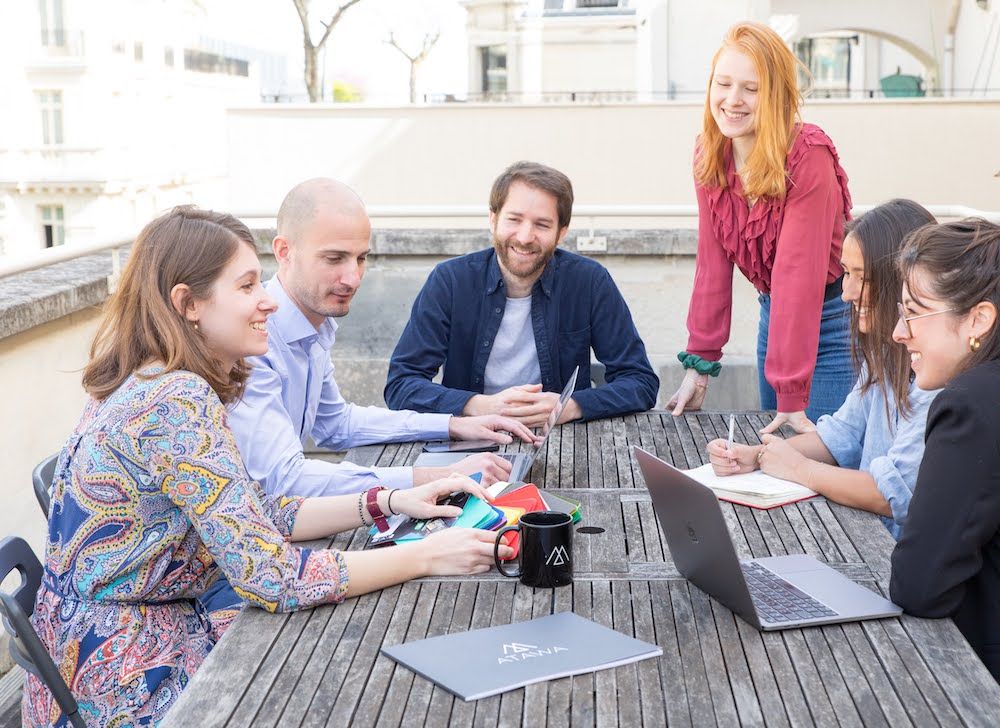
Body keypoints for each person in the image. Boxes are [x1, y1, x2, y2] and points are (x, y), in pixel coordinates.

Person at [22, 207, 511, 727]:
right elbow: (272, 578)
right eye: (247, 286)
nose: (268, 301)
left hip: (112, 647)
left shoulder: (153, 378)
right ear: (188, 304)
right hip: (128, 679)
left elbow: (250, 514)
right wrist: (429, 556)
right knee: (343, 680)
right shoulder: (174, 400)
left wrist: (386, 503)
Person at [225, 178, 538, 499]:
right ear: (284, 252)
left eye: (361, 258)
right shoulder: (251, 335)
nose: (353, 278)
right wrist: (438, 475)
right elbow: (283, 478)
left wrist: (452, 425)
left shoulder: (314, 322)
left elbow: (335, 424)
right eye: (334, 259)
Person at [704, 200, 939, 538]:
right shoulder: (886, 357)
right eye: (846, 273)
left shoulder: (936, 379)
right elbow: (840, 435)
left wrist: (801, 469)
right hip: (873, 539)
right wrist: (756, 457)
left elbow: (894, 494)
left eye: (863, 277)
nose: (846, 293)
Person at [668, 22, 854, 434]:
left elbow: (798, 275)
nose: (732, 101)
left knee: (823, 462)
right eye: (723, 84)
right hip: (776, 317)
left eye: (750, 89)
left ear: (775, 95)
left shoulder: (809, 156)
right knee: (777, 458)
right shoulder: (709, 153)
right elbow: (711, 264)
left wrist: (790, 390)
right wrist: (700, 365)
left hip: (835, 321)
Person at [383, 161, 659, 426]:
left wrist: (570, 406)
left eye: (542, 224)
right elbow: (401, 385)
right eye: (514, 219)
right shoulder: (450, 281)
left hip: (561, 440)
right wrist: (481, 406)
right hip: (468, 438)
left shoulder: (589, 281)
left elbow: (640, 381)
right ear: (493, 219)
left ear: (562, 232)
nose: (525, 237)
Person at [889, 218, 1000, 683]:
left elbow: (919, 585)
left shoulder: (971, 404)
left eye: (914, 312)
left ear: (977, 319)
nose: (898, 332)